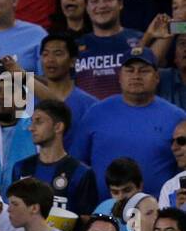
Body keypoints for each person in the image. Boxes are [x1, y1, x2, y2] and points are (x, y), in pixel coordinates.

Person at [71, 48, 182, 200]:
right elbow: (77, 162)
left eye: (144, 71)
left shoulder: (177, 118)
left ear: (157, 77)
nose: (136, 76)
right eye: (130, 70)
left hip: (157, 214)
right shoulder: (95, 113)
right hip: (101, 213)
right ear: (120, 77)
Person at [10, 99, 99, 218]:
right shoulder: (21, 168)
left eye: (38, 121)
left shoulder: (81, 173)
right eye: (32, 122)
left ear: (58, 127)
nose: (31, 128)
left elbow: (86, 220)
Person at [72, 0, 143, 104]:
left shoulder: (141, 40)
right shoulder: (73, 47)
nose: (102, 6)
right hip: (87, 120)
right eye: (94, 1)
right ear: (87, 7)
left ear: (120, 3)